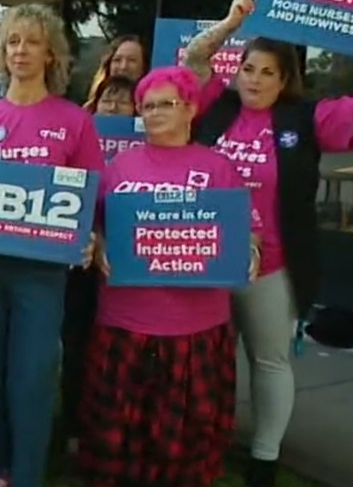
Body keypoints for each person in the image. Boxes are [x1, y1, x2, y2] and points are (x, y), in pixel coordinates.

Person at [183, 0, 353, 487]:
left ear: (284, 80)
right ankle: (207, 442)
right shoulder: (215, 104)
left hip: (272, 266)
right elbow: (194, 57)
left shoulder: (304, 117)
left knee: (269, 361)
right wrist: (232, 20)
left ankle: (263, 457)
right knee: (208, 363)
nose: (255, 79)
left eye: (268, 72)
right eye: (248, 69)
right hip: (204, 259)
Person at [0, 3, 106, 487]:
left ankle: (27, 472)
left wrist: (89, 237)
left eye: (32, 41)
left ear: (51, 53)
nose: (21, 51)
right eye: (12, 41)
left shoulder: (75, 121)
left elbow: (90, 195)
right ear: (1, 51)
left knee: (32, 376)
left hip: (42, 270)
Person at [77, 66, 260, 487]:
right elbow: (93, 225)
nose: (154, 112)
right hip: (124, 323)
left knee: (187, 437)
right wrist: (99, 244)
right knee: (120, 435)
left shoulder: (218, 168)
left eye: (166, 104)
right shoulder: (118, 167)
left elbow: (247, 231)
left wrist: (249, 250)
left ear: (191, 109)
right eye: (147, 106)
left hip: (195, 329)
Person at [59, 73, 139, 453]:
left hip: (128, 265)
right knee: (76, 347)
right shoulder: (79, 135)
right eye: (108, 99)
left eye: (124, 101)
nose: (115, 107)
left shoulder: (145, 149)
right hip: (80, 260)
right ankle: (74, 425)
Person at [83, 35, 148, 109]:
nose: (123, 66)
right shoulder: (89, 111)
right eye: (117, 60)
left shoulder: (152, 108)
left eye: (132, 60)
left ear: (144, 66)